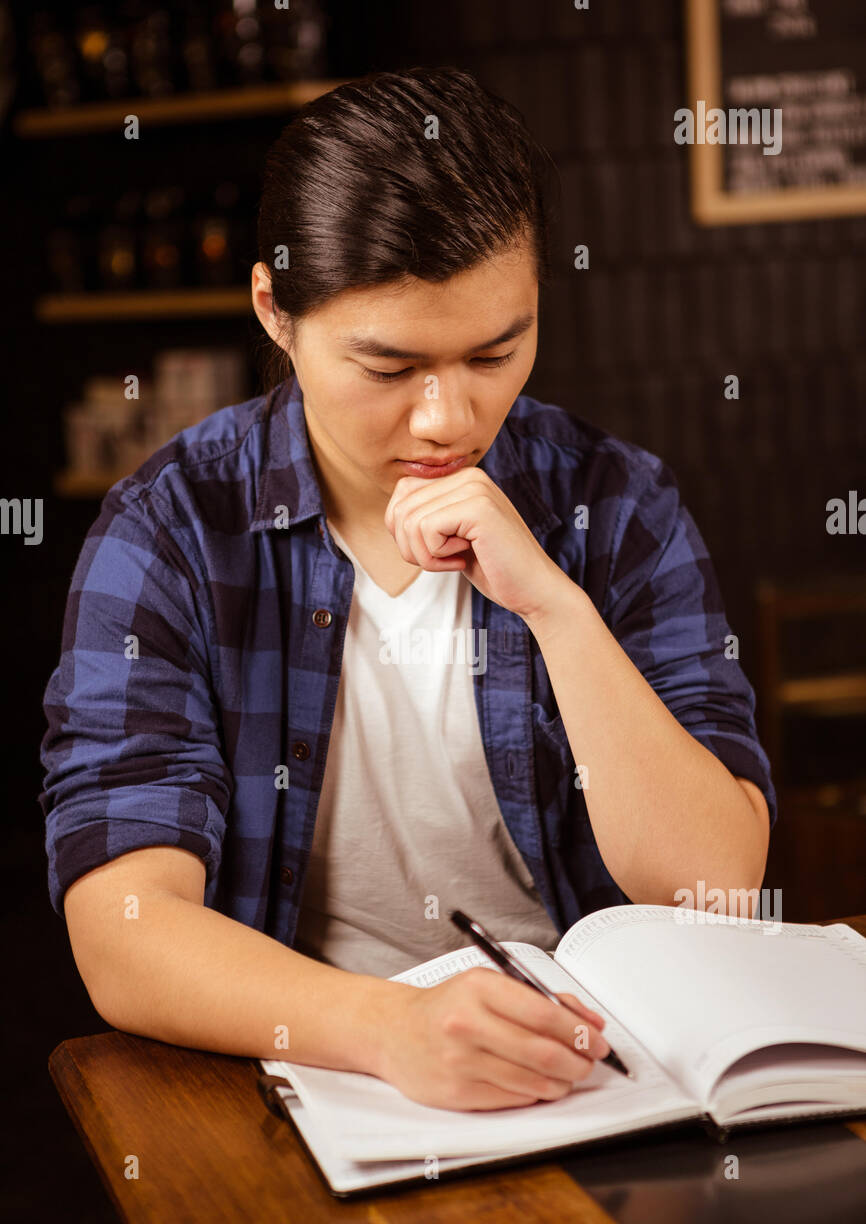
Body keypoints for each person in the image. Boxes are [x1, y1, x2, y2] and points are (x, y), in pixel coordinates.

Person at [40, 66, 775, 1117]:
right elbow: (123, 935)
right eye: (387, 367)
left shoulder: (613, 503)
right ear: (275, 313)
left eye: (494, 351)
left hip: (599, 1081)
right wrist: (388, 1030)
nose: (446, 417)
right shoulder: (170, 531)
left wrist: (553, 609)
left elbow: (710, 883)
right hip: (318, 1085)